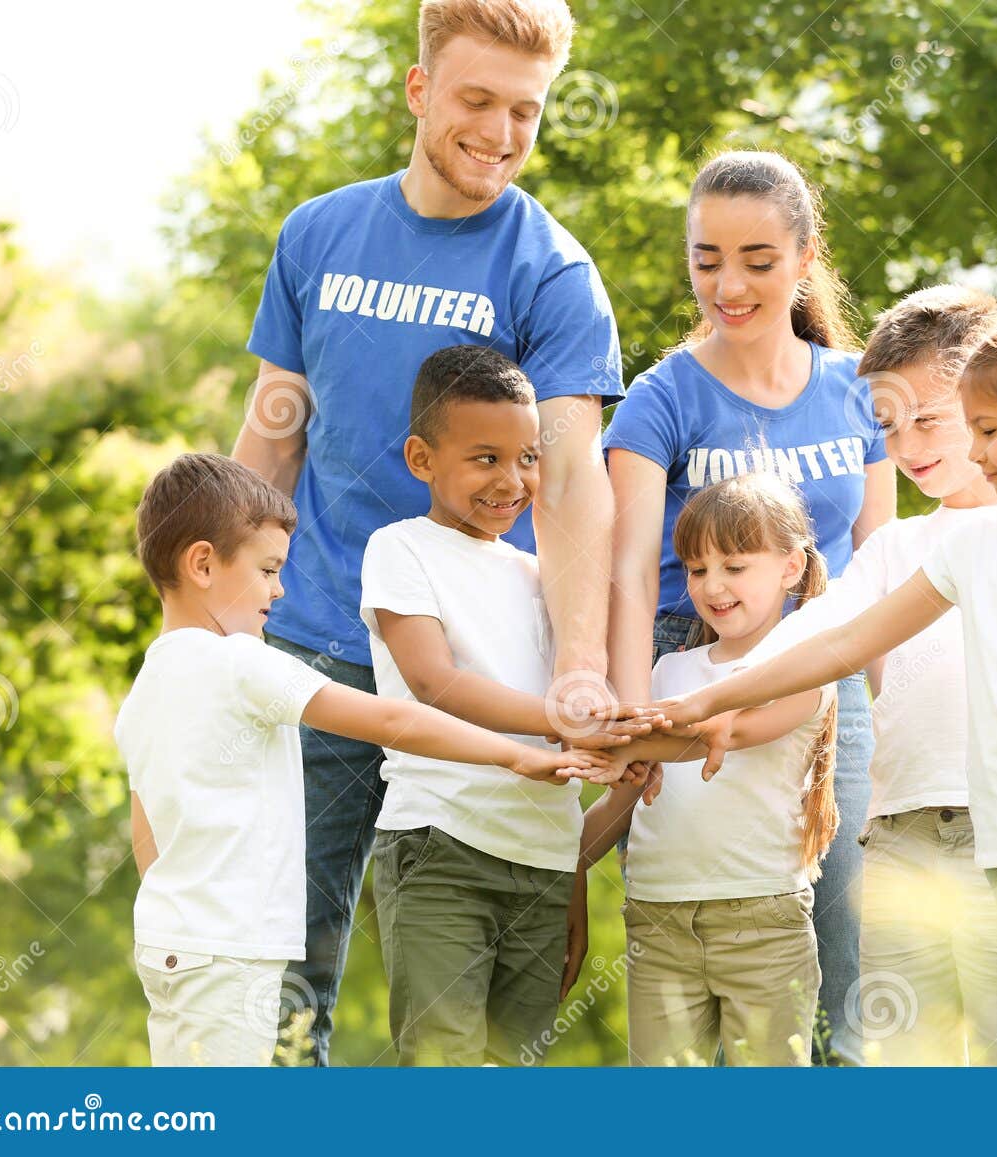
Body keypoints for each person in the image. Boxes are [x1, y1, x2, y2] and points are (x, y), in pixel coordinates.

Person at [636, 303, 997, 1066]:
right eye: (889, 429)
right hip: (958, 843)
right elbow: (838, 636)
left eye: (954, 424)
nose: (912, 447)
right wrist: (714, 695)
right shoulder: (942, 548)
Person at [233, 0, 622, 1064]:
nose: (499, 132)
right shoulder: (318, 233)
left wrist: (579, 667)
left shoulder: (553, 270)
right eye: (476, 100)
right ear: (417, 91)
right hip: (313, 649)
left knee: (474, 994)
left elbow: (576, 479)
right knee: (281, 961)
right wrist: (216, 620)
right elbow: (273, 431)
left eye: (525, 111)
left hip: (471, 672)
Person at [115, 452, 601, 1066]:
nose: (279, 588)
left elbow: (146, 836)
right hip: (230, 948)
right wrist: (515, 756)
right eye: (267, 570)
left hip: (170, 943)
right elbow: (394, 719)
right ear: (204, 563)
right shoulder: (240, 662)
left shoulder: (147, 685)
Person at [604, 150, 894, 1063]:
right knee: (703, 955)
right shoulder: (660, 398)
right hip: (691, 673)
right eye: (707, 259)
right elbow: (621, 568)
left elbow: (878, 569)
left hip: (826, 681)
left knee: (840, 965)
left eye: (758, 261)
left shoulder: (859, 390)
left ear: (805, 258)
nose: (728, 285)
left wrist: (886, 718)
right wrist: (629, 725)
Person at [736, 285, 997, 1064]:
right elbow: (811, 632)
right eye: (886, 425)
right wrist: (699, 703)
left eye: (927, 419)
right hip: (899, 841)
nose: (905, 444)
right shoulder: (896, 547)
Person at [360, 345, 651, 1064]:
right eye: (485, 457)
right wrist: (559, 719)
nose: (512, 480)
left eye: (527, 458)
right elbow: (436, 683)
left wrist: (573, 876)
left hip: (543, 864)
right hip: (442, 849)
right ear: (422, 458)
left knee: (511, 1066)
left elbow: (567, 749)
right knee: (444, 1062)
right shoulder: (401, 549)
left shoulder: (543, 576)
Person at [582, 474, 839, 1065]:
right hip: (658, 919)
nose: (712, 585)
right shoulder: (668, 672)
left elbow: (731, 732)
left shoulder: (806, 668)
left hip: (762, 920)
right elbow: (630, 794)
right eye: (697, 569)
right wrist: (564, 863)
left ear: (791, 567)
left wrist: (637, 745)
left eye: (734, 565)